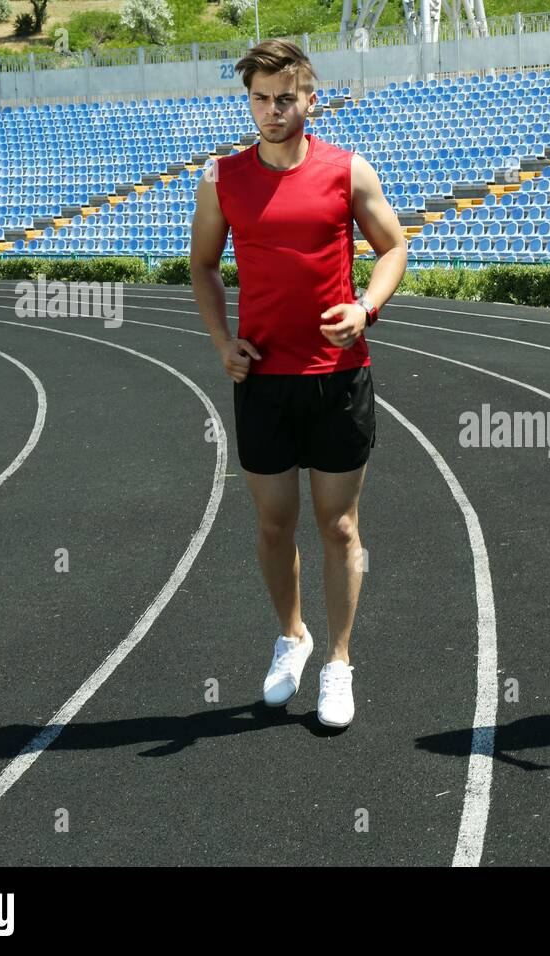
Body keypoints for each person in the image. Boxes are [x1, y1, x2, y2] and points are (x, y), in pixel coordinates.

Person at [189, 39, 408, 728]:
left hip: (338, 378)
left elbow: (394, 246)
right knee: (272, 522)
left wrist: (365, 307)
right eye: (260, 97)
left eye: (286, 97)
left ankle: (338, 662)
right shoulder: (222, 178)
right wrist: (223, 342)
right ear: (248, 99)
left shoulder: (347, 171)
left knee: (339, 526)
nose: (273, 109)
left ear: (311, 98)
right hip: (262, 382)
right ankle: (294, 637)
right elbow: (201, 266)